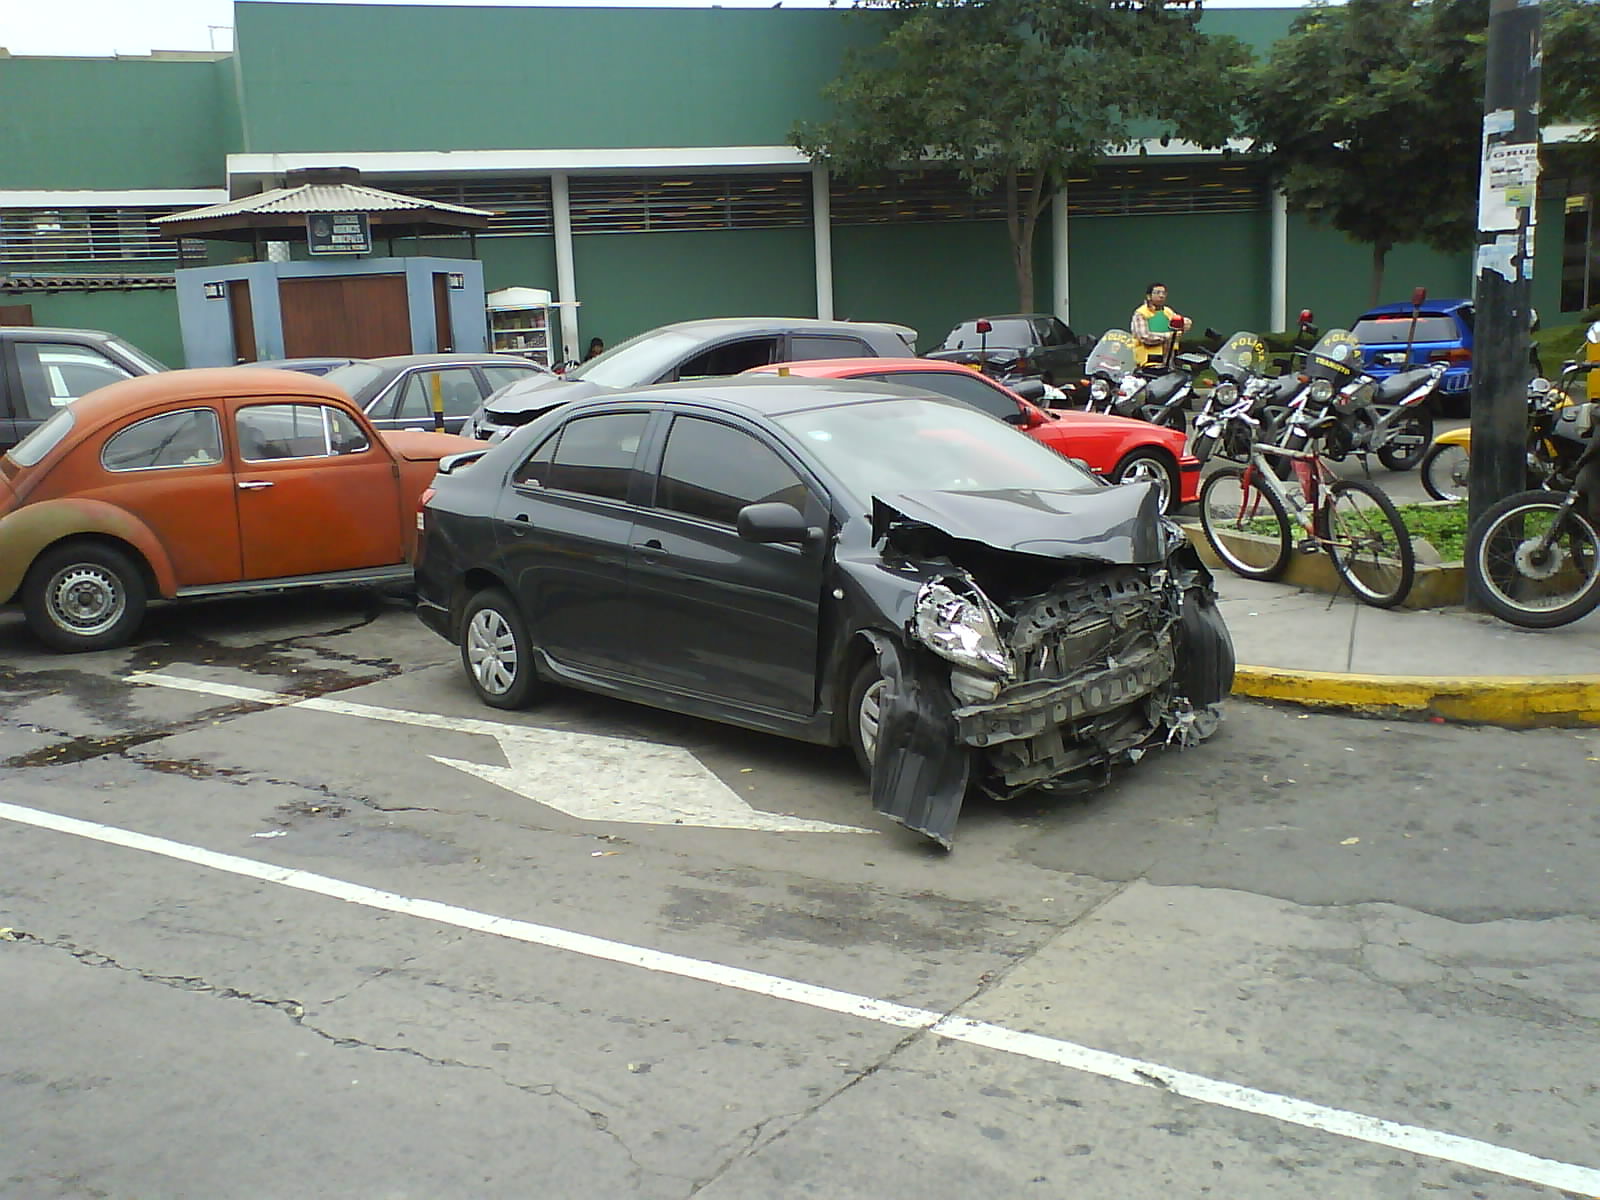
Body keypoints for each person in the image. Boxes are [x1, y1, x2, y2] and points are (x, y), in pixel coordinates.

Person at [1131, 283, 1187, 369]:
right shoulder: (1141, 313)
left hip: (1168, 360)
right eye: (1157, 293)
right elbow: (1145, 336)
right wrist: (1170, 335)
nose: (1161, 296)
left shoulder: (1167, 311)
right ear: (1149, 296)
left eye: (1164, 293)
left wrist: (1185, 323)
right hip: (1148, 361)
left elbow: (1178, 324)